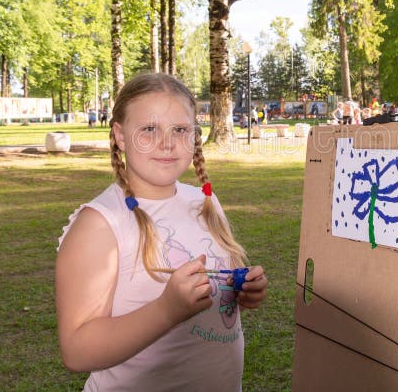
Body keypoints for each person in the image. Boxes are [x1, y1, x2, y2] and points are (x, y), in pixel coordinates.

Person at [55, 73, 267, 391]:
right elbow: (76, 350)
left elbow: (221, 279)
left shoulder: (204, 201)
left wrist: (241, 288)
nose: (167, 143)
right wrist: (166, 311)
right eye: (149, 129)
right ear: (121, 135)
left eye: (180, 130)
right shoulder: (99, 224)